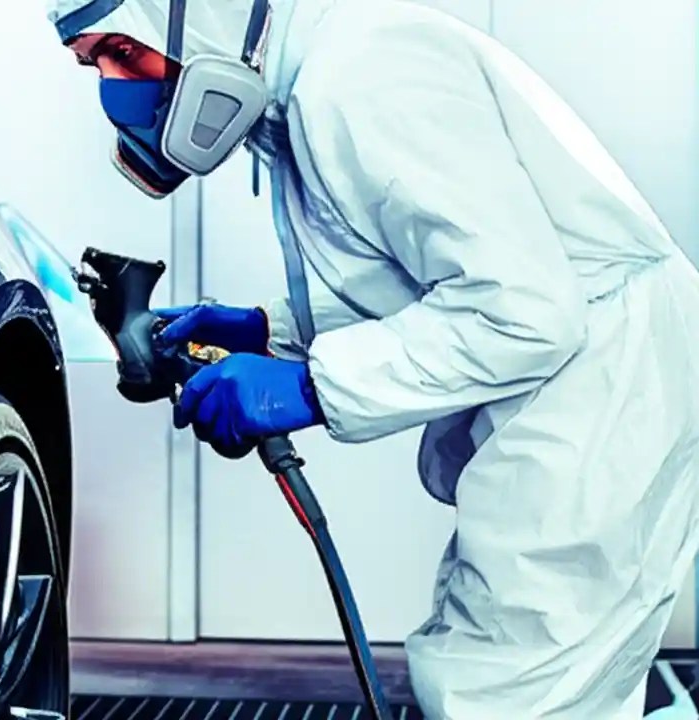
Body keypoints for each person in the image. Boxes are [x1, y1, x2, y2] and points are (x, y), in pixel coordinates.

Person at [47, 0, 699, 717]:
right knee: (528, 674)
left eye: (123, 52)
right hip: (582, 383)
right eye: (92, 65)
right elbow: (437, 277)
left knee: (510, 689)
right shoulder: (311, 90)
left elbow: (523, 309)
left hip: (603, 393)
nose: (115, 88)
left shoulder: (360, 78)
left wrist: (308, 387)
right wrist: (267, 331)